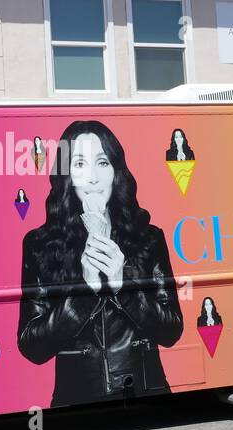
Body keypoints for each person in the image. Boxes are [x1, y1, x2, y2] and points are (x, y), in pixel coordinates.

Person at [18, 120, 184, 407]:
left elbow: (171, 330)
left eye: (103, 162)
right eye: (80, 163)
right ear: (67, 174)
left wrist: (124, 286)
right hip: (75, 401)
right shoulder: (40, 245)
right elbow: (31, 345)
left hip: (145, 392)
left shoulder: (148, 237)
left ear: (116, 173)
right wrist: (85, 290)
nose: (93, 177)